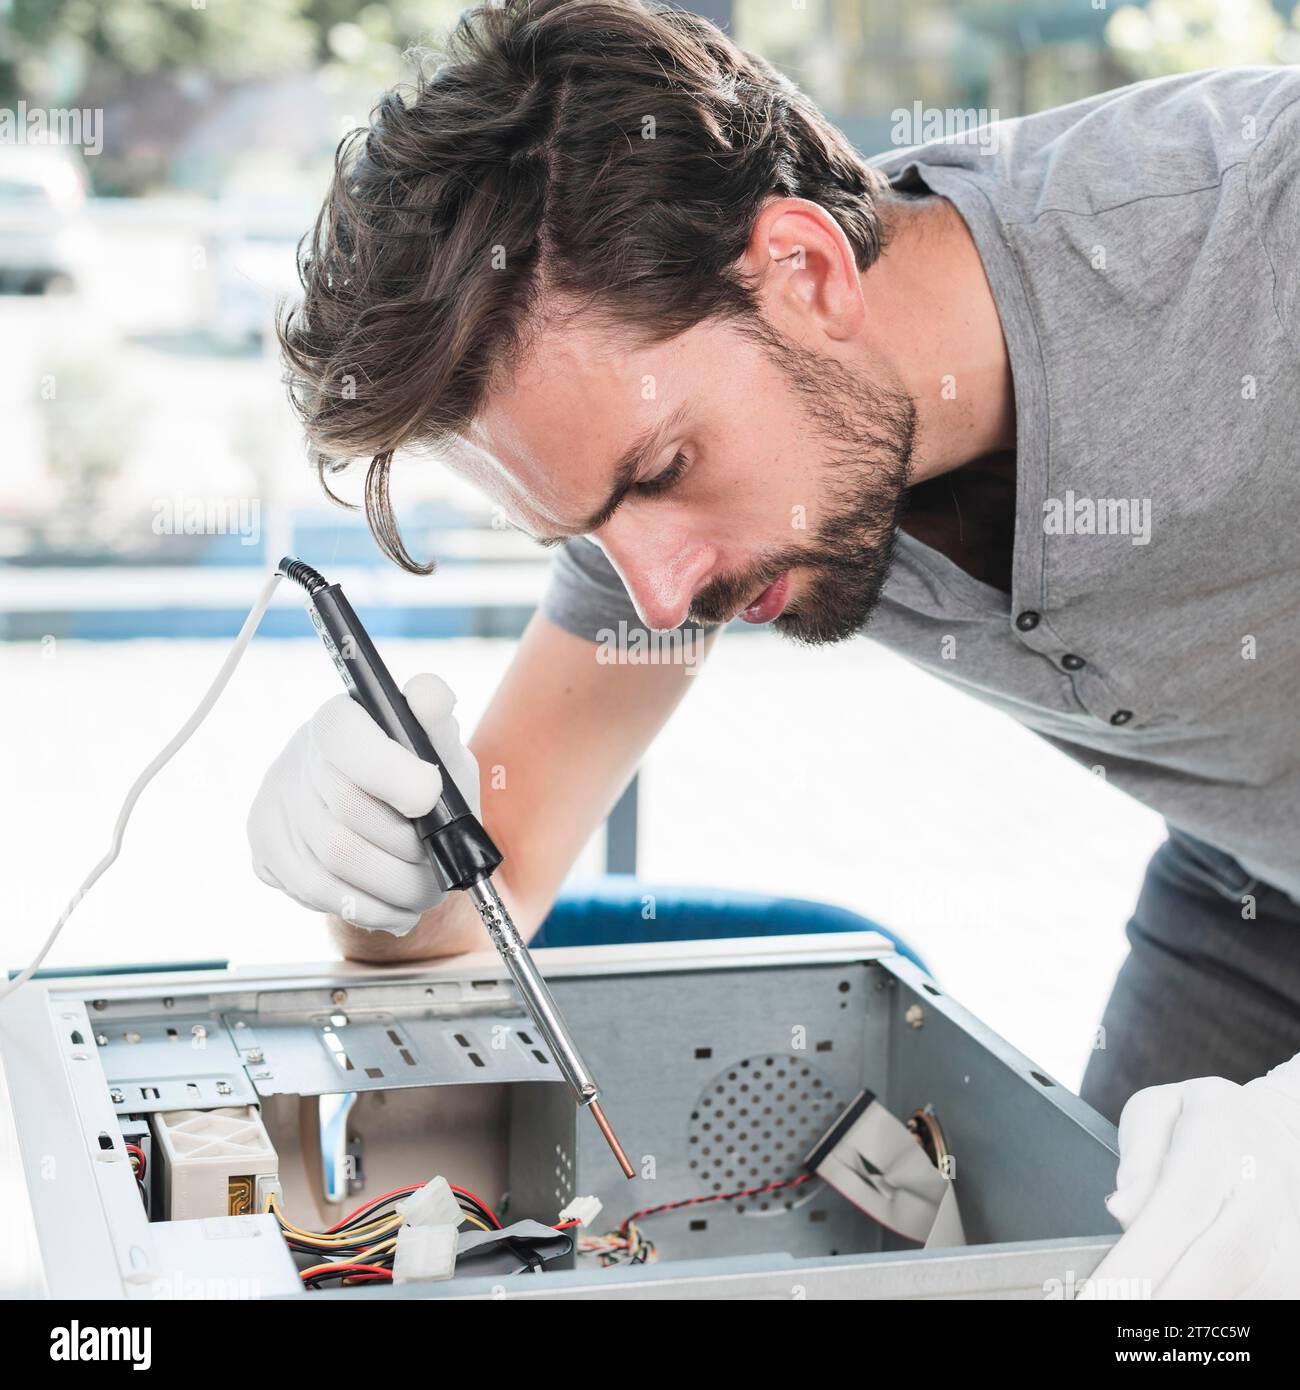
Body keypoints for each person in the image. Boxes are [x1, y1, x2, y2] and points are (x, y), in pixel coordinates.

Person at [247, 0, 1300, 1297]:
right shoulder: (657, 505)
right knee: (1123, 1289)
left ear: (806, 269)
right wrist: (372, 872)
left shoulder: (1261, 231)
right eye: (588, 525)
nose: (661, 592)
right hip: (1259, 893)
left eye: (666, 469)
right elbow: (483, 903)